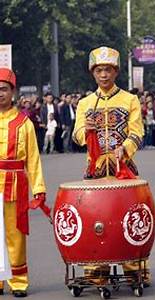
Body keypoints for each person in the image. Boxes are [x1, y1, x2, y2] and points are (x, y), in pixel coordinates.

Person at [71, 46, 148, 284]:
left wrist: (124, 148)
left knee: (127, 218)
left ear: (116, 72)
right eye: (99, 70)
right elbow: (76, 135)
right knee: (95, 218)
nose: (103, 75)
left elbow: (138, 131)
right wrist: (87, 131)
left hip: (123, 169)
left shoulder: (129, 99)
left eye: (108, 70)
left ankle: (134, 268)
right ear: (93, 73)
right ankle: (96, 270)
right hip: (95, 171)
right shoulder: (85, 103)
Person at [0, 68, 48, 297]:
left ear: (13, 92)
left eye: (4, 89)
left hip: (15, 184)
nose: (0, 93)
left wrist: (38, 188)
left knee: (15, 234)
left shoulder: (24, 123)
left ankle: (18, 280)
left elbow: (33, 159)